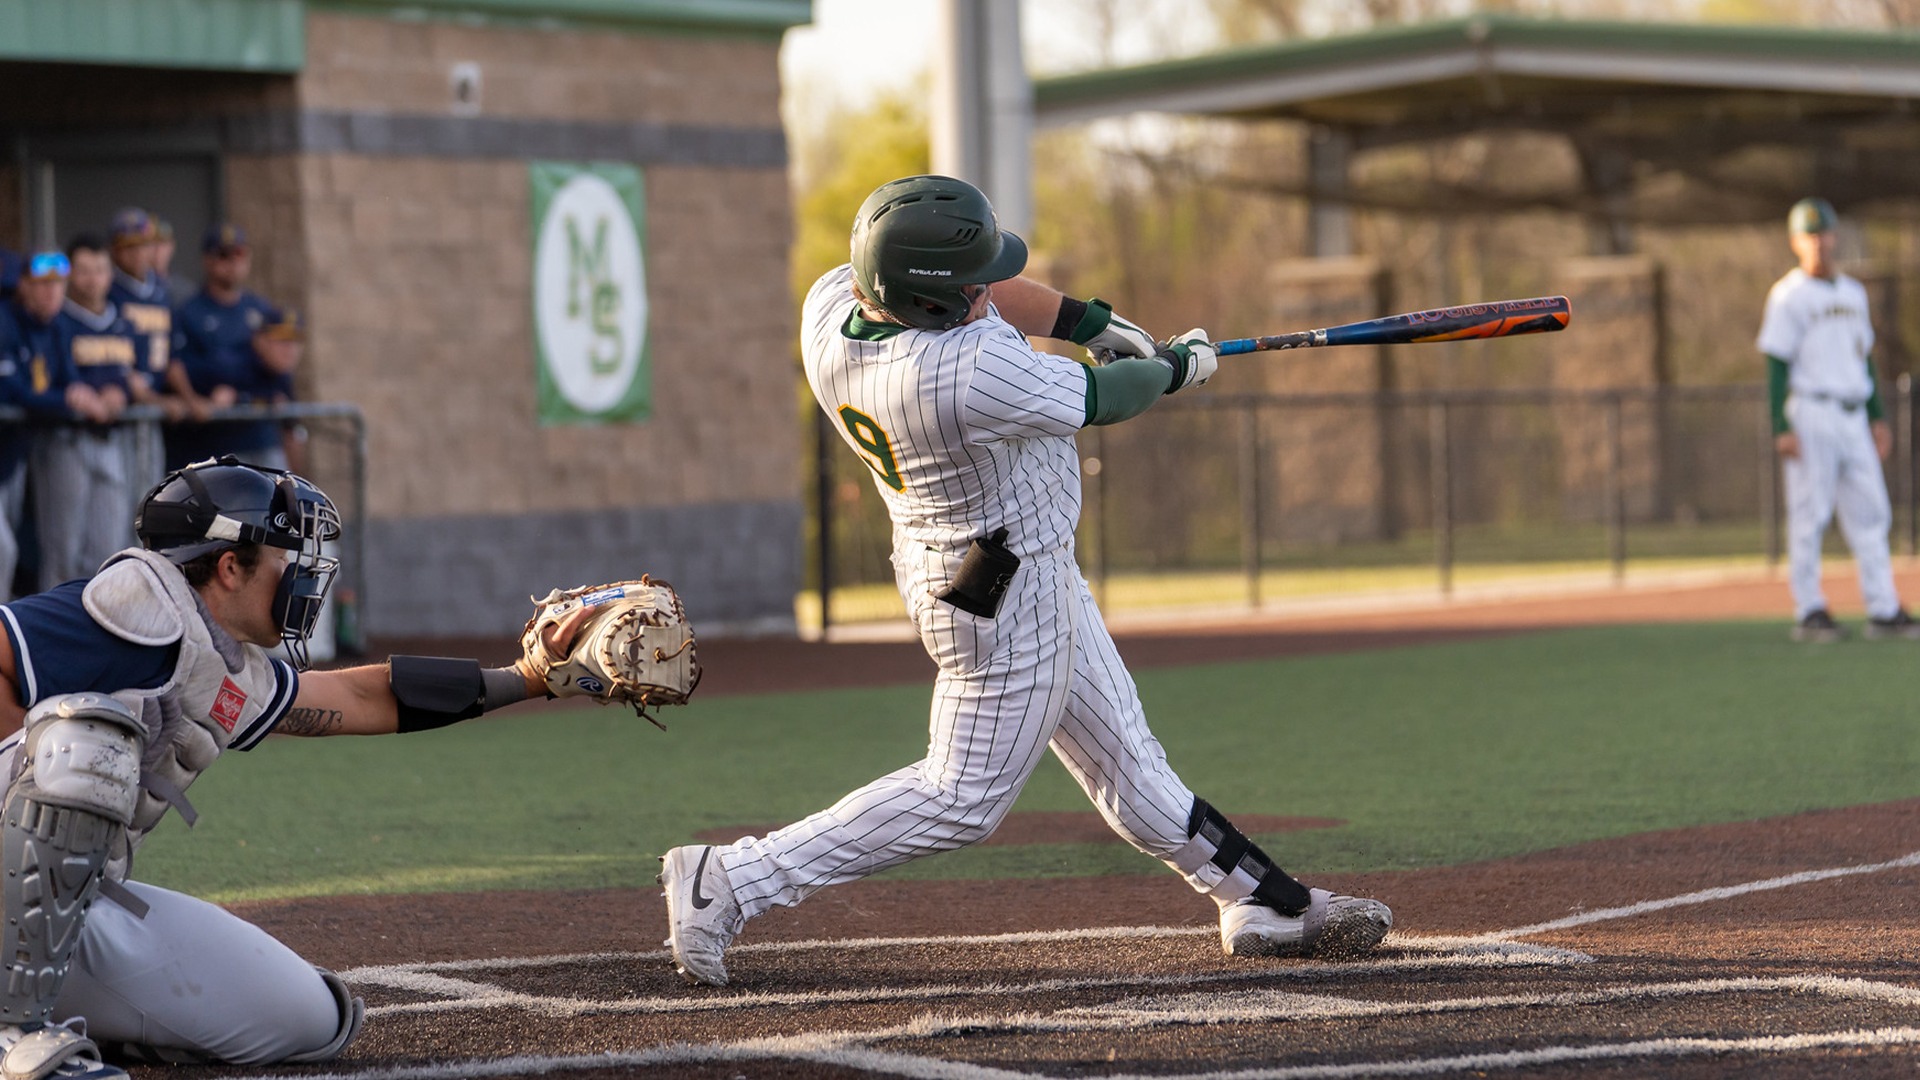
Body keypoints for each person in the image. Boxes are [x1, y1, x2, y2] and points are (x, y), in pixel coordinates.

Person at [657, 175, 1392, 988]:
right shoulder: (962, 373)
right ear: (933, 301)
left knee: (1129, 765)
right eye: (970, 284)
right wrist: (1180, 367)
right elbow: (1110, 396)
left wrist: (1094, 321)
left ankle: (1265, 903)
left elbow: (990, 293)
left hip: (984, 566)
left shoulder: (834, 306)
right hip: (1006, 593)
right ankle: (729, 878)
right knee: (961, 796)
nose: (987, 291)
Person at [0, 456, 555, 1077]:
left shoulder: (224, 657)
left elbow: (356, 697)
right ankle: (11, 1032)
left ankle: (56, 1013)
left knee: (309, 1019)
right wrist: (25, 756)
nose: (302, 574)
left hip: (56, 908)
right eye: (285, 557)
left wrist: (531, 679)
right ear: (231, 566)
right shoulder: (136, 608)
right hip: (11, 876)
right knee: (82, 747)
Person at [1761, 198, 1920, 643]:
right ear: (1796, 242)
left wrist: (1877, 416)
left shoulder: (1852, 293)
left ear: (1834, 237)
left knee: (1873, 512)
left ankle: (1884, 608)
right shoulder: (1788, 295)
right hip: (1811, 411)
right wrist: (1781, 424)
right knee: (1809, 514)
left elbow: (1863, 357)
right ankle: (1809, 608)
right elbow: (1776, 363)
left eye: (1824, 233)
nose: (1819, 243)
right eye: (1809, 235)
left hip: (1853, 414)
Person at [39, 234, 141, 589]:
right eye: (83, 271)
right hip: (66, 439)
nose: (92, 279)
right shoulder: (57, 320)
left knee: (110, 545)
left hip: (111, 438)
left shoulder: (122, 321)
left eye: (99, 270)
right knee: (63, 546)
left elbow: (130, 376)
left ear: (110, 274)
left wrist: (121, 391)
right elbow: (52, 377)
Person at [168, 224, 286, 470]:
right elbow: (179, 365)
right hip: (214, 442)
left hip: (260, 434)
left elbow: (277, 364)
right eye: (223, 255)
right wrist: (195, 398)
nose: (232, 262)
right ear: (207, 260)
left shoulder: (260, 309)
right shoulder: (190, 311)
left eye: (239, 254)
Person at [106, 208, 178, 505]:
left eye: (145, 244)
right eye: (130, 246)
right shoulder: (110, 290)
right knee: (123, 501)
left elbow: (172, 352)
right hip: (121, 411)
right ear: (116, 251)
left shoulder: (161, 289)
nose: (139, 253)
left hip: (153, 410)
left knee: (151, 496)